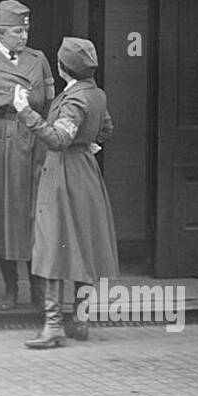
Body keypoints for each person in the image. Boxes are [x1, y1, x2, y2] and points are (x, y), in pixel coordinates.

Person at [14, 36, 120, 349]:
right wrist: (88, 142)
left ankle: (53, 325)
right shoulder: (95, 94)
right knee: (83, 243)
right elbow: (106, 130)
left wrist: (25, 111)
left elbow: (58, 138)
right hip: (86, 172)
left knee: (51, 245)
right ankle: (81, 321)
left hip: (62, 174)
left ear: (63, 68)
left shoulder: (74, 99)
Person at [0, 0, 55, 310]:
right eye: (18, 31)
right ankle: (9, 288)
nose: (24, 36)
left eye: (27, 30)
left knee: (34, 211)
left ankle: (37, 287)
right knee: (2, 210)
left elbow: (49, 100)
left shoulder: (39, 59)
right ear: (1, 32)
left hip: (33, 141)